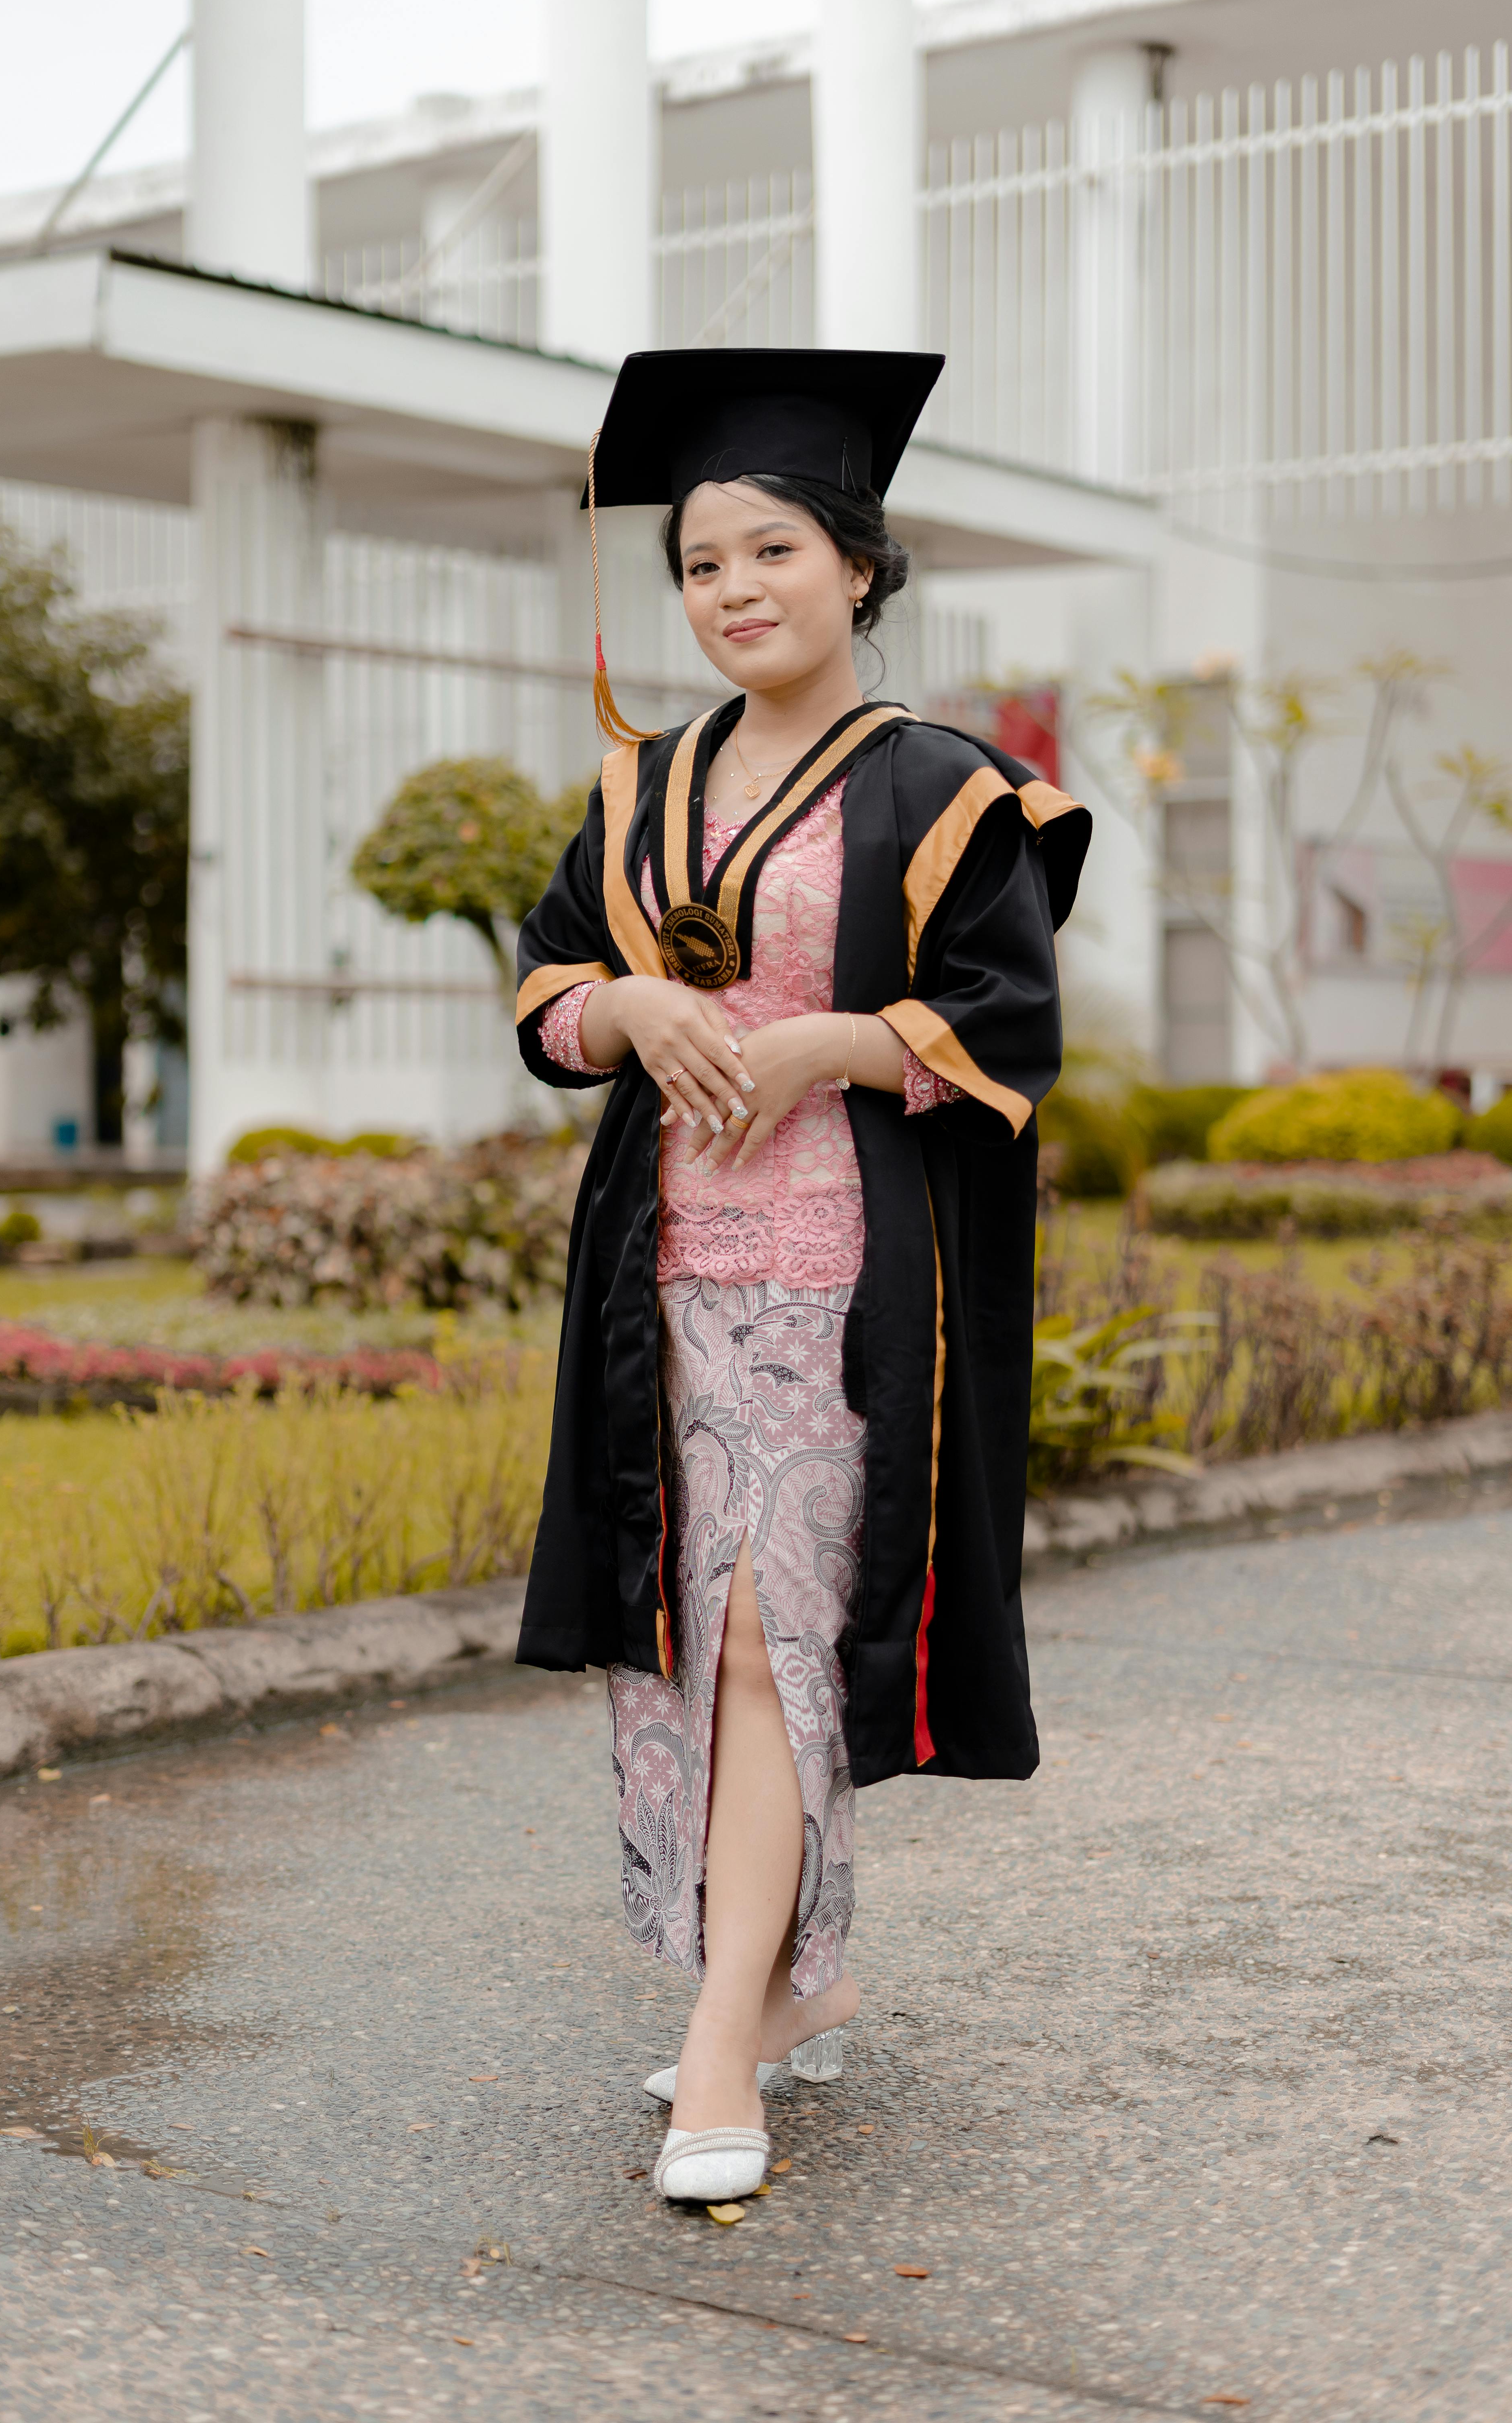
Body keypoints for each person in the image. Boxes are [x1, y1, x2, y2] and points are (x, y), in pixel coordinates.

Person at [513, 348, 1090, 2205]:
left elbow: (1006, 1028)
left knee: (771, 1637)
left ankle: (713, 2051)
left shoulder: (943, 788)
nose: (732, 590)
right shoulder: (637, 791)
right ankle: (787, 1984)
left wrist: (829, 1044)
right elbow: (542, 997)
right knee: (692, 1646)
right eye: (699, 565)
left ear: (856, 564)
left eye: (770, 550)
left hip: (847, 1282)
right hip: (663, 1273)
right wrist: (636, 1003)